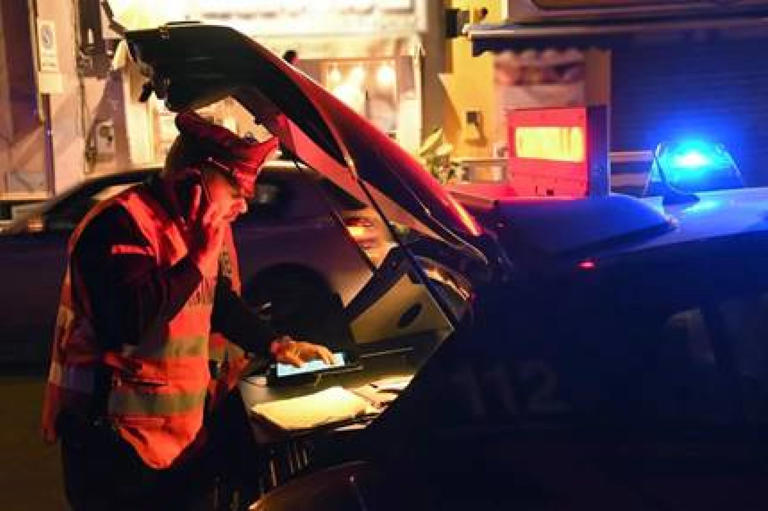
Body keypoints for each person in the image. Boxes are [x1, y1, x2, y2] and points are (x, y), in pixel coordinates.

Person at [41, 111, 334, 510]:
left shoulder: (191, 228)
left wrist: (279, 346)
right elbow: (131, 320)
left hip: (178, 440)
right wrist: (198, 257)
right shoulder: (118, 224)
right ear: (195, 181)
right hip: (112, 449)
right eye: (236, 191)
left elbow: (217, 303)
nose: (243, 207)